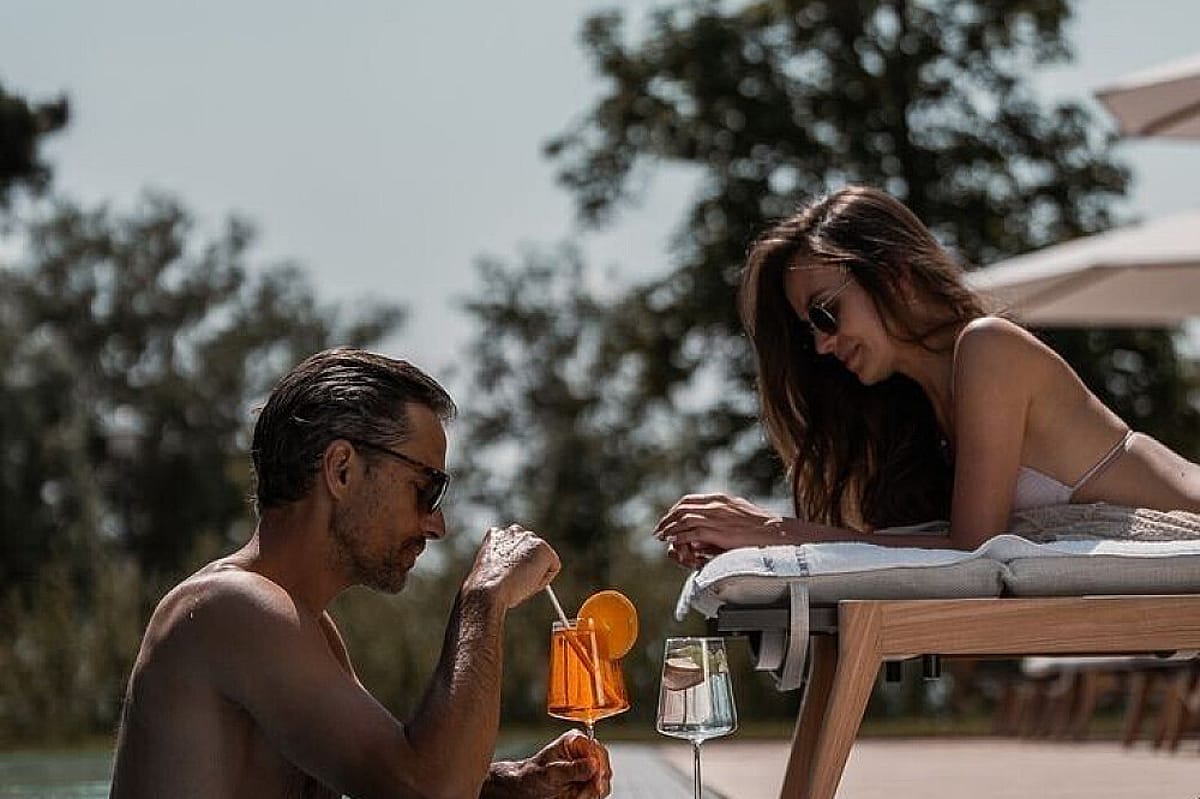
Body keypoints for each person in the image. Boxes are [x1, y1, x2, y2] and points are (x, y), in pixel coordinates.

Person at [111, 348, 612, 799]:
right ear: (342, 469)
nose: (436, 523)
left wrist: (508, 788)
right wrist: (484, 596)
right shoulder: (230, 607)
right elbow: (428, 793)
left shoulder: (304, 628)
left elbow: (393, 779)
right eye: (426, 488)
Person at [656, 185, 1200, 565]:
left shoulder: (989, 347)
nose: (822, 344)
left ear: (895, 274)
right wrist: (750, 539)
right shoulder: (928, 411)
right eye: (809, 331)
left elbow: (970, 550)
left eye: (826, 314)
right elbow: (927, 547)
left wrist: (773, 534)